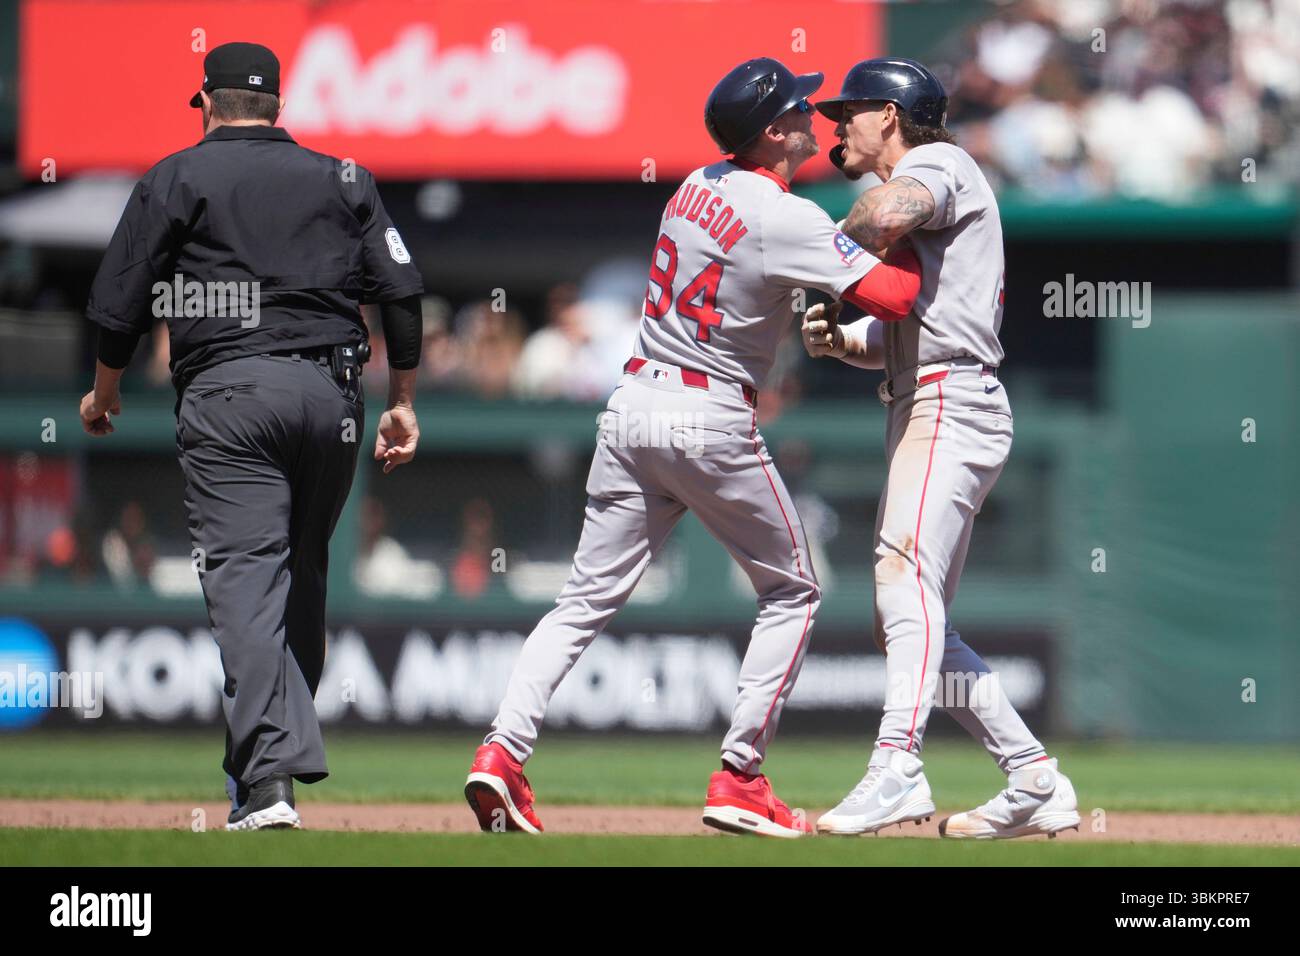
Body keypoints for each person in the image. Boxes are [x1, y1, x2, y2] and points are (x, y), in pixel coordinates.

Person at [464, 57, 922, 838]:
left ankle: (502, 753)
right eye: (800, 109)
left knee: (581, 602)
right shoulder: (790, 216)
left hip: (635, 402)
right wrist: (913, 225)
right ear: (773, 131)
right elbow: (896, 297)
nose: (814, 116)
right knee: (794, 589)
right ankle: (741, 777)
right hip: (707, 415)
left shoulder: (695, 184)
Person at [78, 42, 424, 831]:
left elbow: (118, 298)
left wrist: (104, 390)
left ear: (206, 102)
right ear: (277, 107)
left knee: (246, 580)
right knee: (297, 577)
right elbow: (402, 293)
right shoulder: (343, 176)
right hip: (334, 396)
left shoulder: (179, 175)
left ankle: (268, 786)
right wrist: (402, 399)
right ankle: (264, 773)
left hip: (232, 390)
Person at [803, 57, 1080, 839]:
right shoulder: (922, 171)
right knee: (916, 614)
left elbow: (886, 214)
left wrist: (816, 249)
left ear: (888, 116)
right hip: (930, 389)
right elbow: (911, 329)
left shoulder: (937, 159)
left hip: (951, 400)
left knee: (901, 576)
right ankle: (1034, 778)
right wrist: (846, 341)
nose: (835, 127)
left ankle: (897, 765)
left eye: (847, 112)